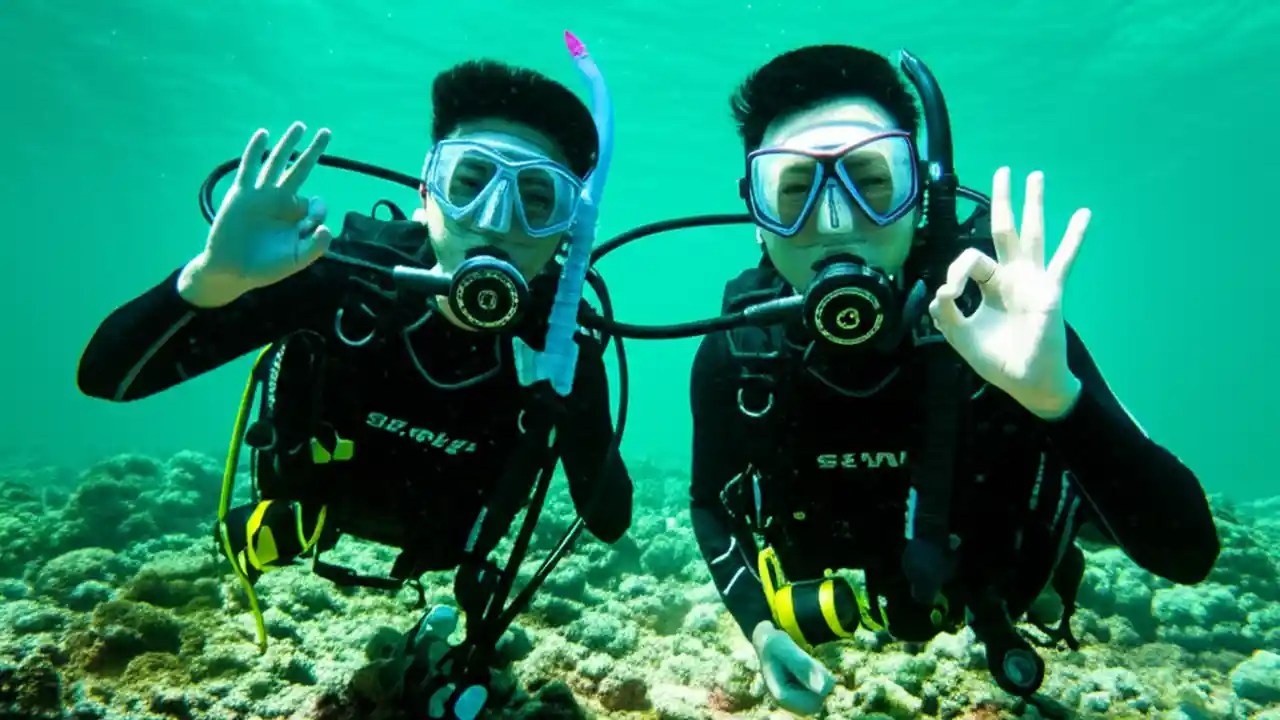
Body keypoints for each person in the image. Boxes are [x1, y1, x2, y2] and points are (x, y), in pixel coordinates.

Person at [76, 48, 632, 720]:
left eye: (537, 199)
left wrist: (571, 392)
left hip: (453, 545)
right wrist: (207, 284)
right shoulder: (339, 281)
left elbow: (608, 519)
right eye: (469, 181)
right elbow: (108, 378)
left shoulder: (562, 345)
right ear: (428, 192)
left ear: (568, 232)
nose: (493, 218)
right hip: (310, 513)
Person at [674, 44, 1221, 716]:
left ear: (920, 198)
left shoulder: (995, 319)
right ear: (757, 215)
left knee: (1074, 535)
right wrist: (761, 631)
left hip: (995, 568)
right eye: (793, 190)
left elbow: (1188, 553)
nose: (834, 221)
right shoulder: (740, 356)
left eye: (872, 181)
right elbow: (710, 506)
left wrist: (1057, 400)